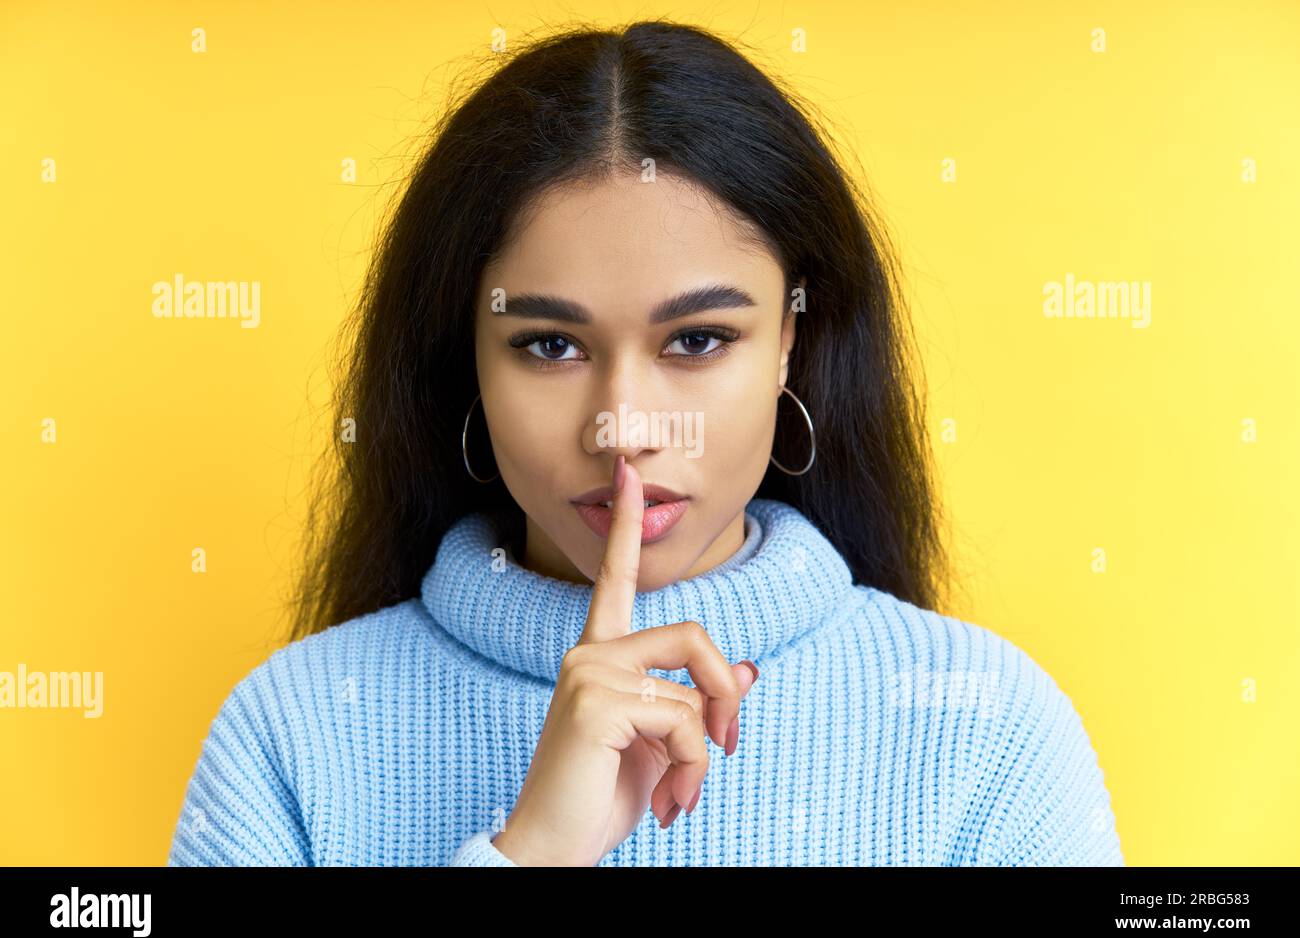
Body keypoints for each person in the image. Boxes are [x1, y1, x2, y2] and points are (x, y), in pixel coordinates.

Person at [166, 20, 1123, 866]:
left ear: (792, 336)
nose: (624, 428)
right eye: (549, 344)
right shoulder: (287, 735)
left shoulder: (988, 728)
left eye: (698, 341)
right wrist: (530, 855)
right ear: (467, 357)